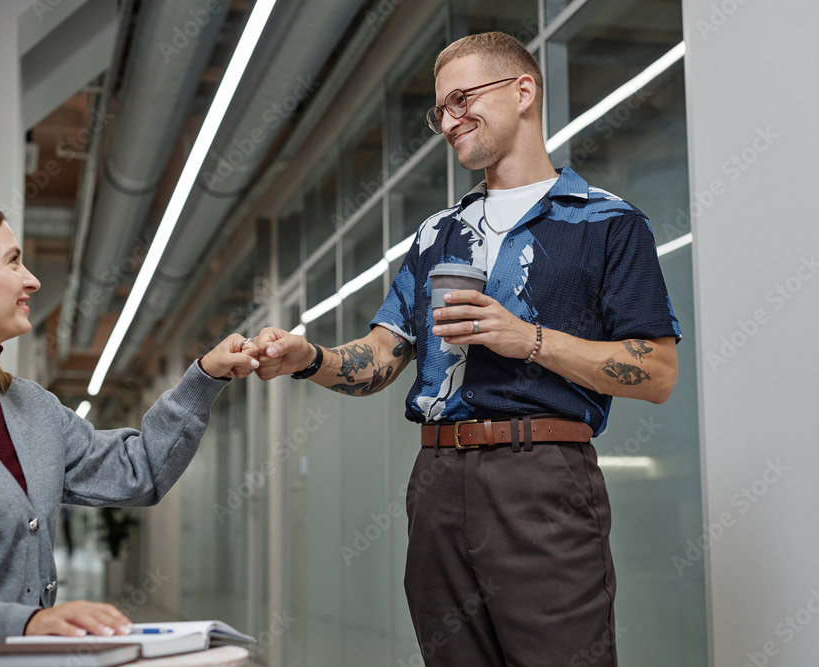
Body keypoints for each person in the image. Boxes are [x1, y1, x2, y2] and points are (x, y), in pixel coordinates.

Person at [252, 32, 681, 666]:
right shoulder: (437, 234)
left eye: (462, 100)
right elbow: (380, 360)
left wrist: (528, 339)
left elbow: (657, 372)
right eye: (440, 111)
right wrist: (308, 358)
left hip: (542, 478)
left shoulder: (607, 223)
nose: (448, 122)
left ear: (524, 91)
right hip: (437, 480)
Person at [0, 195, 260, 666]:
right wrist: (27, 626)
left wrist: (206, 377)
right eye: (12, 261)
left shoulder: (33, 408)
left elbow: (139, 471)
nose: (31, 279)